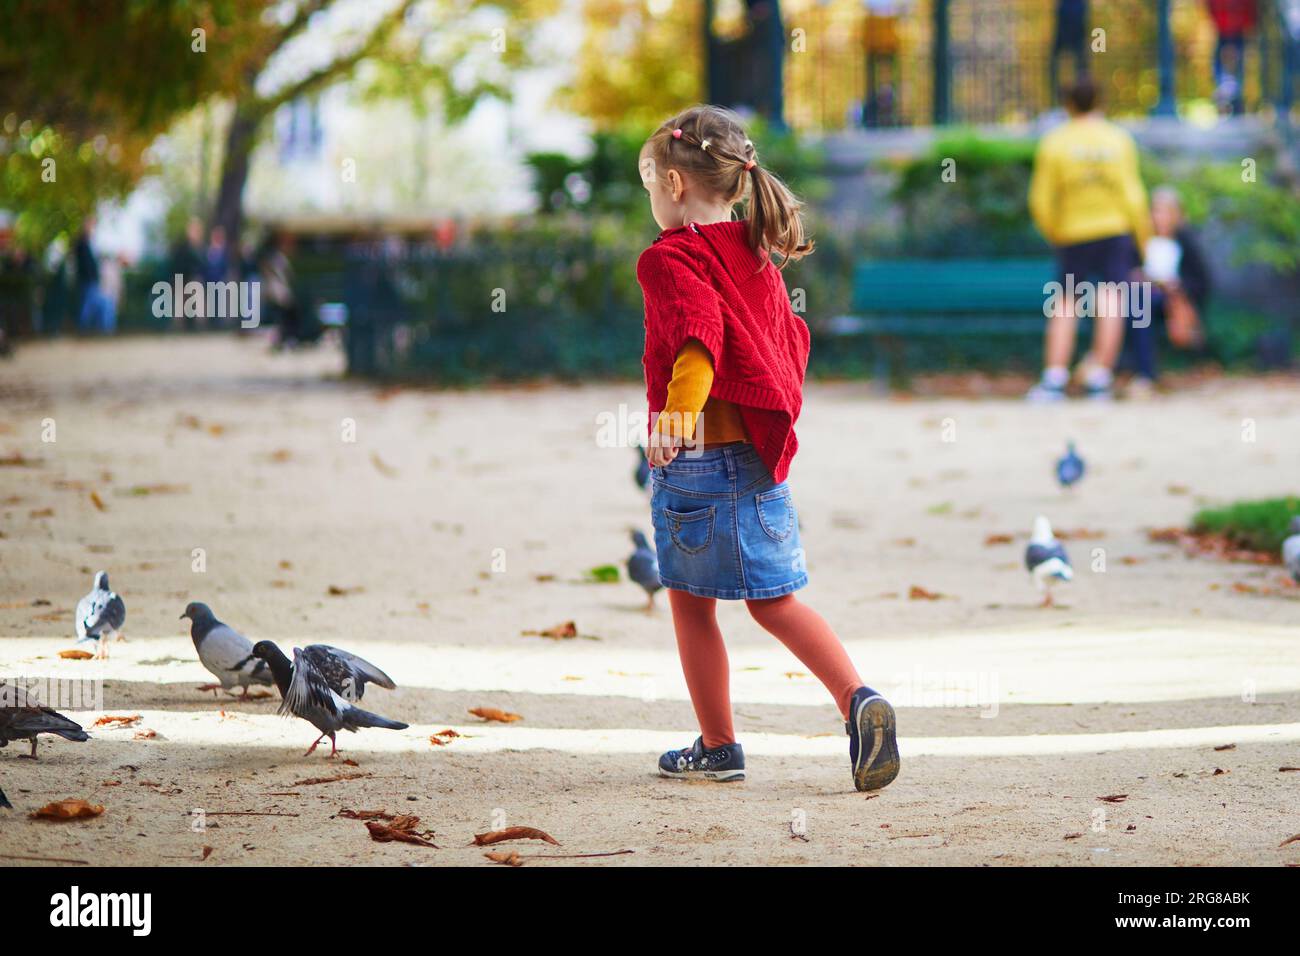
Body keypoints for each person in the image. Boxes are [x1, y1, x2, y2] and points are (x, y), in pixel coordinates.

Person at [636, 105, 900, 792]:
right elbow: (787, 344)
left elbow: (698, 340)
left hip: (697, 462)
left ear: (673, 180)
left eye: (650, 192)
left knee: (691, 602)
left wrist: (674, 420)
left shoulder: (671, 259)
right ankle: (858, 700)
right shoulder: (755, 252)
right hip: (756, 456)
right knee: (775, 601)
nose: (653, 206)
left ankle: (719, 747)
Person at [1027, 77, 1151, 401]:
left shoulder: (1055, 142)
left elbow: (1040, 199)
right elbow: (1133, 195)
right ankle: (1100, 377)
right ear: (1100, 101)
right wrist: (1143, 238)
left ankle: (1054, 377)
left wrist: (1054, 229)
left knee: (1066, 301)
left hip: (1072, 232)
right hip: (1114, 230)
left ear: (1068, 103)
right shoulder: (1118, 139)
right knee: (1111, 298)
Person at [1123, 187, 1212, 396]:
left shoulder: (1186, 241)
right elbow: (1126, 273)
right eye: (1155, 211)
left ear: (1177, 215)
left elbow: (1202, 281)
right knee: (1140, 304)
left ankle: (1144, 373)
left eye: (1164, 212)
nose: (1159, 217)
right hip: (1144, 298)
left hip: (1175, 301)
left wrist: (1177, 285)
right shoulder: (1141, 240)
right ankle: (1145, 373)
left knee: (1140, 306)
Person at [1207, 0, 1258, 115]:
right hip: (1225, 25)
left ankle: (1235, 99)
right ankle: (1228, 97)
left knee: (1235, 63)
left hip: (1234, 26)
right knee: (1225, 63)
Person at [74, 215, 116, 334]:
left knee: (93, 305)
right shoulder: (82, 243)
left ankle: (99, 329)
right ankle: (84, 329)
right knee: (87, 307)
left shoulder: (91, 243)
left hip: (93, 280)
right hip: (87, 280)